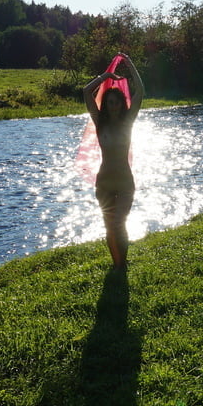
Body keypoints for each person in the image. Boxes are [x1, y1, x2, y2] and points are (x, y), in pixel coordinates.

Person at [84, 53, 144, 269]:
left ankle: (122, 264)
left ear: (122, 104)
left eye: (117, 102)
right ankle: (117, 264)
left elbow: (140, 92)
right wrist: (106, 76)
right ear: (106, 104)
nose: (114, 106)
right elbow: (86, 92)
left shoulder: (128, 121)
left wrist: (130, 65)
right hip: (104, 182)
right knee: (109, 225)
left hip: (125, 181)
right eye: (110, 102)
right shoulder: (99, 122)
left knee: (120, 222)